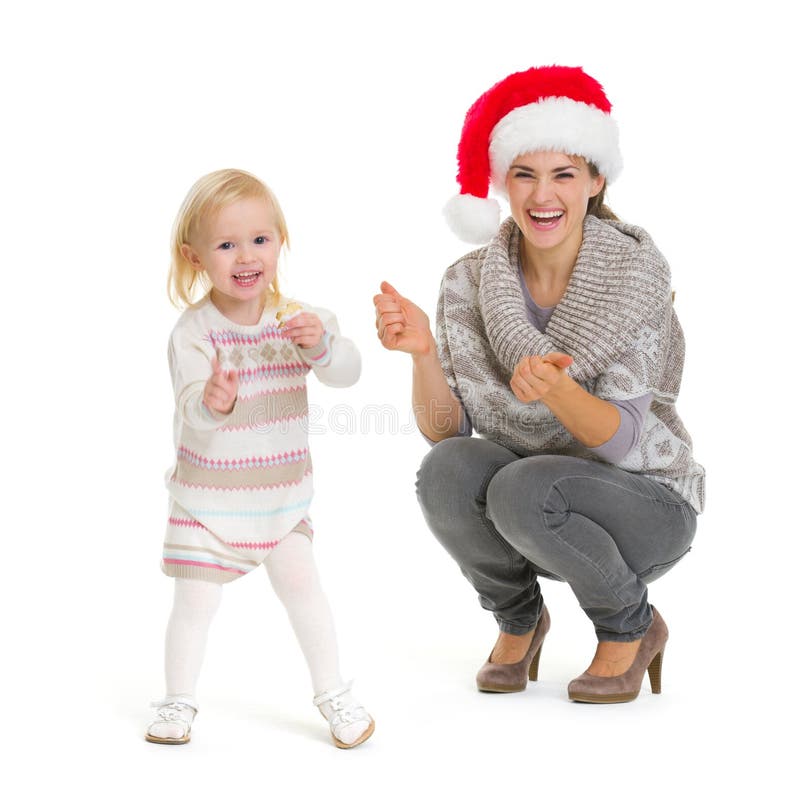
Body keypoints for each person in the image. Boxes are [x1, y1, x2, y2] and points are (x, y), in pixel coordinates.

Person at [374, 66, 704, 704]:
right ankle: (519, 620)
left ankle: (630, 626)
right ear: (502, 184)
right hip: (528, 512)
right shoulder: (469, 283)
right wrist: (422, 354)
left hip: (647, 505)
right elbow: (448, 431)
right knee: (447, 467)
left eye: (564, 174)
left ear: (596, 180)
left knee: (525, 482)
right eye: (524, 174)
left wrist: (557, 390)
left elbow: (626, 439)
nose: (542, 195)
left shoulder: (633, 279)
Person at [147, 169, 374, 747]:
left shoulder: (298, 320)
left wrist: (320, 347)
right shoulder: (194, 332)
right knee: (194, 603)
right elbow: (192, 408)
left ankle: (334, 694)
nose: (245, 256)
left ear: (280, 241)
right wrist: (214, 399)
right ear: (194, 256)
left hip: (279, 497)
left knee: (305, 591)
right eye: (225, 244)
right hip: (207, 498)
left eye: (259, 240)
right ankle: (177, 701)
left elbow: (346, 371)